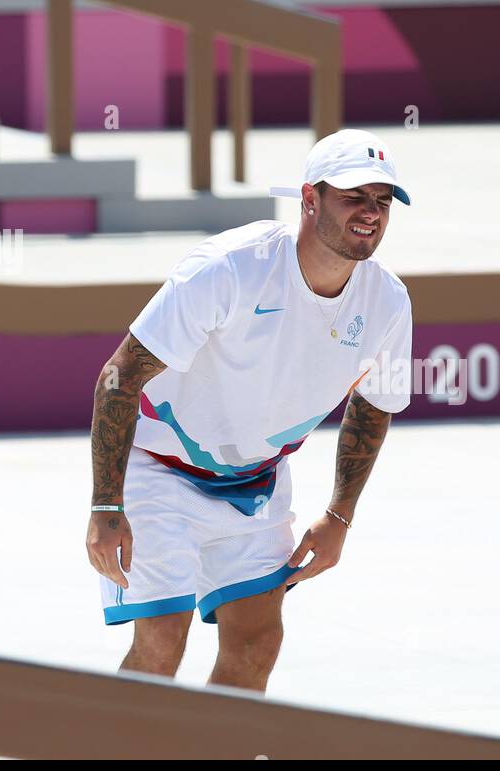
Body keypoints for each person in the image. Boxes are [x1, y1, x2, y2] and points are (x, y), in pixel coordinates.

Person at [84, 129, 413, 692]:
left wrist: (339, 515)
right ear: (309, 199)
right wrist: (106, 503)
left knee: (258, 641)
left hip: (258, 483)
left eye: (383, 201)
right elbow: (118, 377)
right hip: (160, 473)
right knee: (163, 639)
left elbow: (374, 407)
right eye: (354, 196)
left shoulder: (388, 300)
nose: (371, 212)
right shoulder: (228, 268)